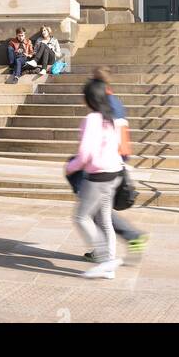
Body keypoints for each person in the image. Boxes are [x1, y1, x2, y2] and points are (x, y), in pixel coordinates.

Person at [65, 79, 126, 279]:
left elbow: (85, 155)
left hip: (98, 177)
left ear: (89, 99)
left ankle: (105, 259)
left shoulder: (91, 119)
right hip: (114, 174)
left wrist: (69, 168)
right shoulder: (111, 119)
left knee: (81, 217)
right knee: (104, 219)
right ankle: (109, 263)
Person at [83, 66, 147, 255]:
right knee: (99, 209)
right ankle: (118, 243)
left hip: (107, 164)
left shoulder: (106, 101)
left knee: (94, 209)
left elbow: (114, 134)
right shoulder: (113, 100)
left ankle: (129, 238)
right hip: (114, 161)